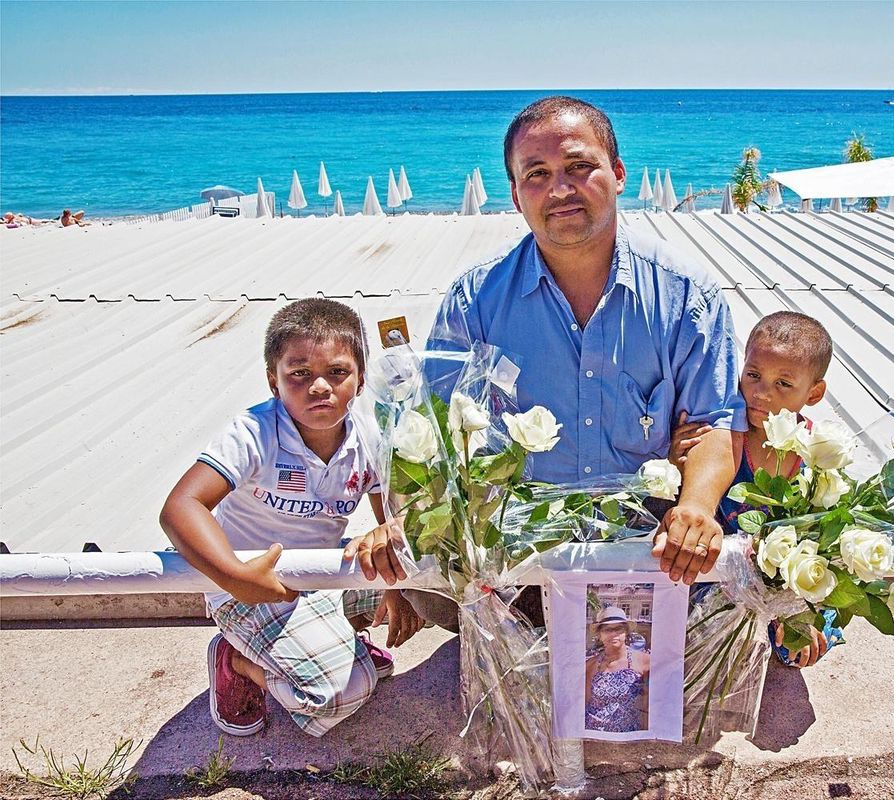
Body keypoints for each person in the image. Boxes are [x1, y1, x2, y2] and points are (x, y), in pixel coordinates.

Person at [352, 96, 743, 604]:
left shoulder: (688, 295)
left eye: (580, 166)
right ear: (515, 195)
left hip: (647, 551)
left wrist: (694, 506)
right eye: (536, 174)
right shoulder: (475, 302)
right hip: (517, 560)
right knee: (428, 593)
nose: (560, 189)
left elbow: (717, 424)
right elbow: (433, 435)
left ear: (618, 173)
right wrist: (403, 521)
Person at [159, 298, 423, 737]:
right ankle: (237, 661)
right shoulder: (254, 432)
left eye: (337, 372)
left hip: (318, 575)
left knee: (432, 591)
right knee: (340, 694)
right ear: (273, 382)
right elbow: (181, 507)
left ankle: (335, 645)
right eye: (299, 373)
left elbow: (391, 518)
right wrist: (234, 576)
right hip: (253, 587)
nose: (320, 386)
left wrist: (396, 581)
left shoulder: (371, 436)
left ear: (360, 380)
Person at [670, 311, 844, 668]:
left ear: (814, 393)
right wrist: (675, 459)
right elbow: (679, 494)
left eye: (783, 384)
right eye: (753, 376)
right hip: (713, 573)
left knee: (802, 641)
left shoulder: (817, 453)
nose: (761, 394)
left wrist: (794, 611)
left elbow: (821, 539)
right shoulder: (719, 437)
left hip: (780, 580)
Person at [585, 607, 651, 732]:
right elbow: (585, 701)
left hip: (628, 739)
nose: (613, 634)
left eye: (618, 629)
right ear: (599, 634)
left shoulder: (644, 661)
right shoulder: (590, 665)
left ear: (626, 632)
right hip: (595, 736)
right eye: (607, 629)